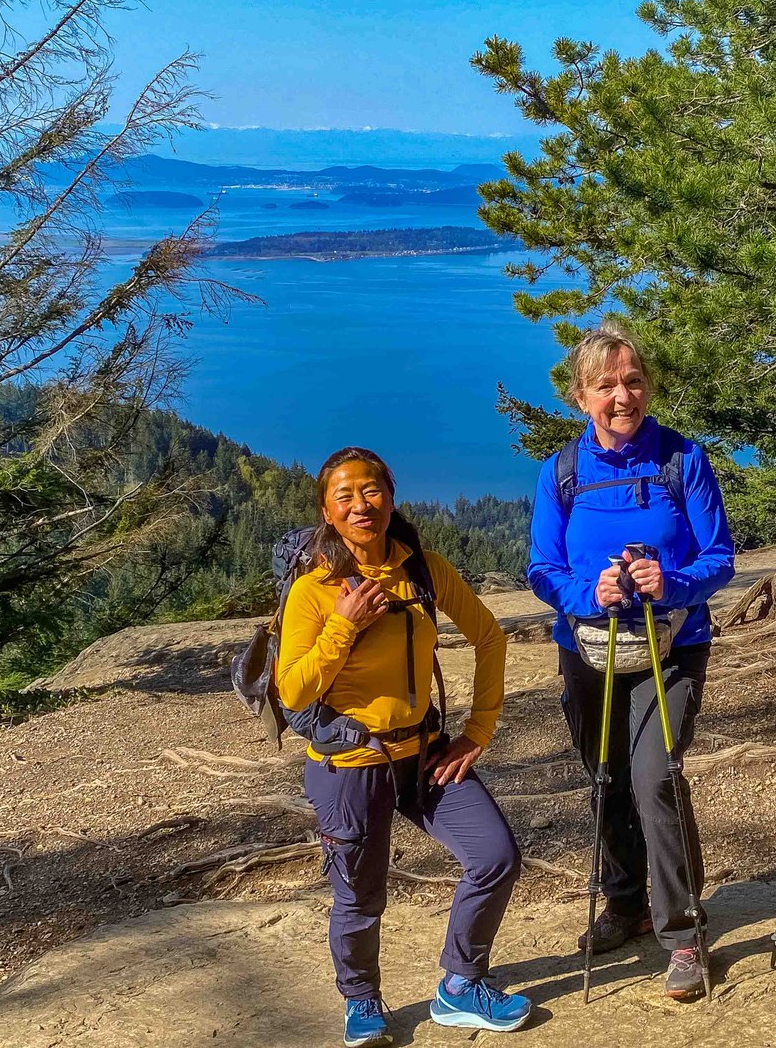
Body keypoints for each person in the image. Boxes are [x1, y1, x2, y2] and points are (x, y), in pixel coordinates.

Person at [276, 447, 530, 1047]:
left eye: (371, 491)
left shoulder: (425, 571)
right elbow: (293, 690)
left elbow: (490, 637)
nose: (360, 505)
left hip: (425, 755)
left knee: (494, 855)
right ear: (326, 513)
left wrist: (478, 731)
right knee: (359, 897)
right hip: (349, 765)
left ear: (391, 498)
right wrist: (344, 625)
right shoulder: (313, 590)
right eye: (344, 496)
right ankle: (361, 999)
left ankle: (461, 984)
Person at [528, 321, 735, 1000]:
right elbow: (542, 568)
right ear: (580, 396)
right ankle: (624, 904)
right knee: (606, 776)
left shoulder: (682, 460)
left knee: (655, 777)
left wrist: (668, 583)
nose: (623, 396)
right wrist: (589, 592)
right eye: (606, 385)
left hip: (671, 644)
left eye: (634, 381)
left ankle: (682, 933)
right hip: (587, 649)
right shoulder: (561, 472)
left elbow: (719, 559)